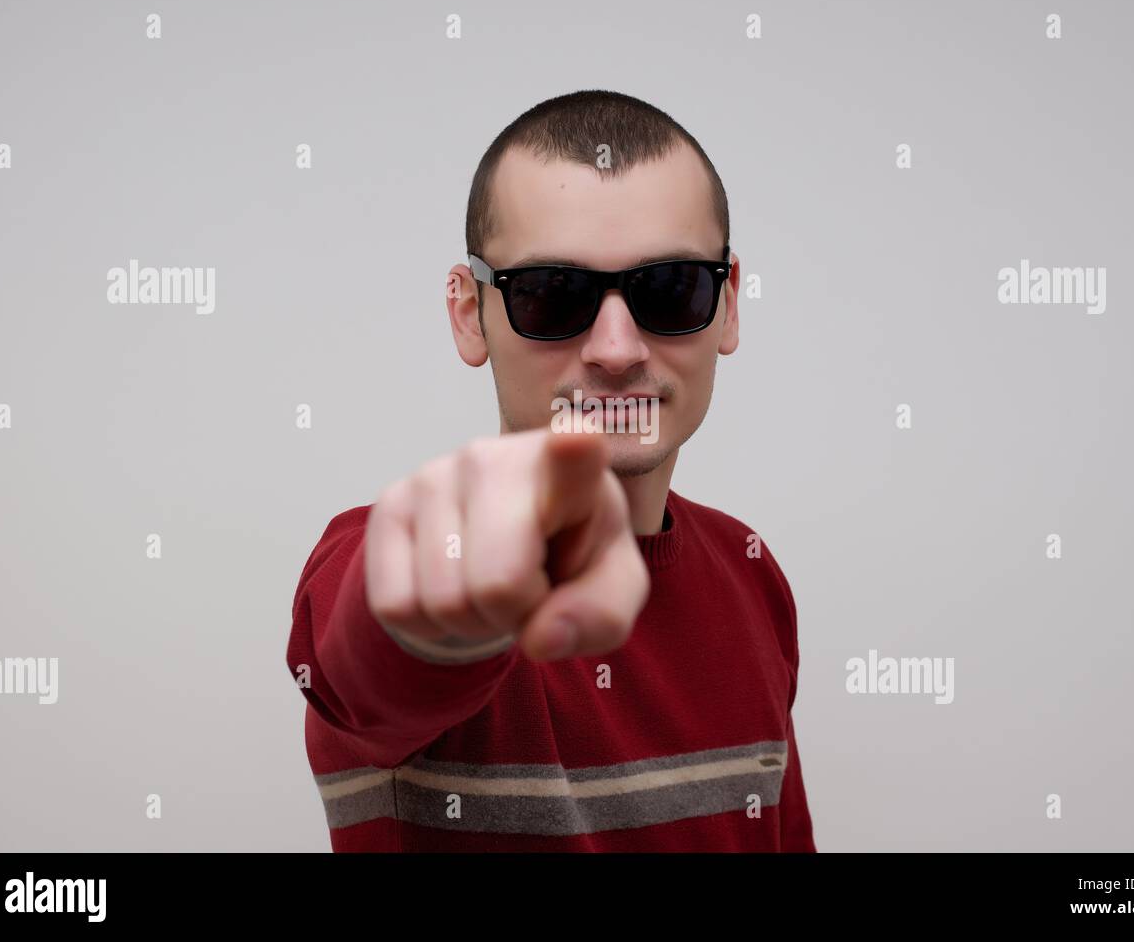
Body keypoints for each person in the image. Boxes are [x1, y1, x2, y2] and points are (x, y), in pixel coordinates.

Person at [287, 89, 815, 851]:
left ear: (729, 303)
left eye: (670, 288)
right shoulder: (381, 556)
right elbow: (366, 650)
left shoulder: (753, 571)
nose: (615, 348)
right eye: (550, 294)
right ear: (470, 313)